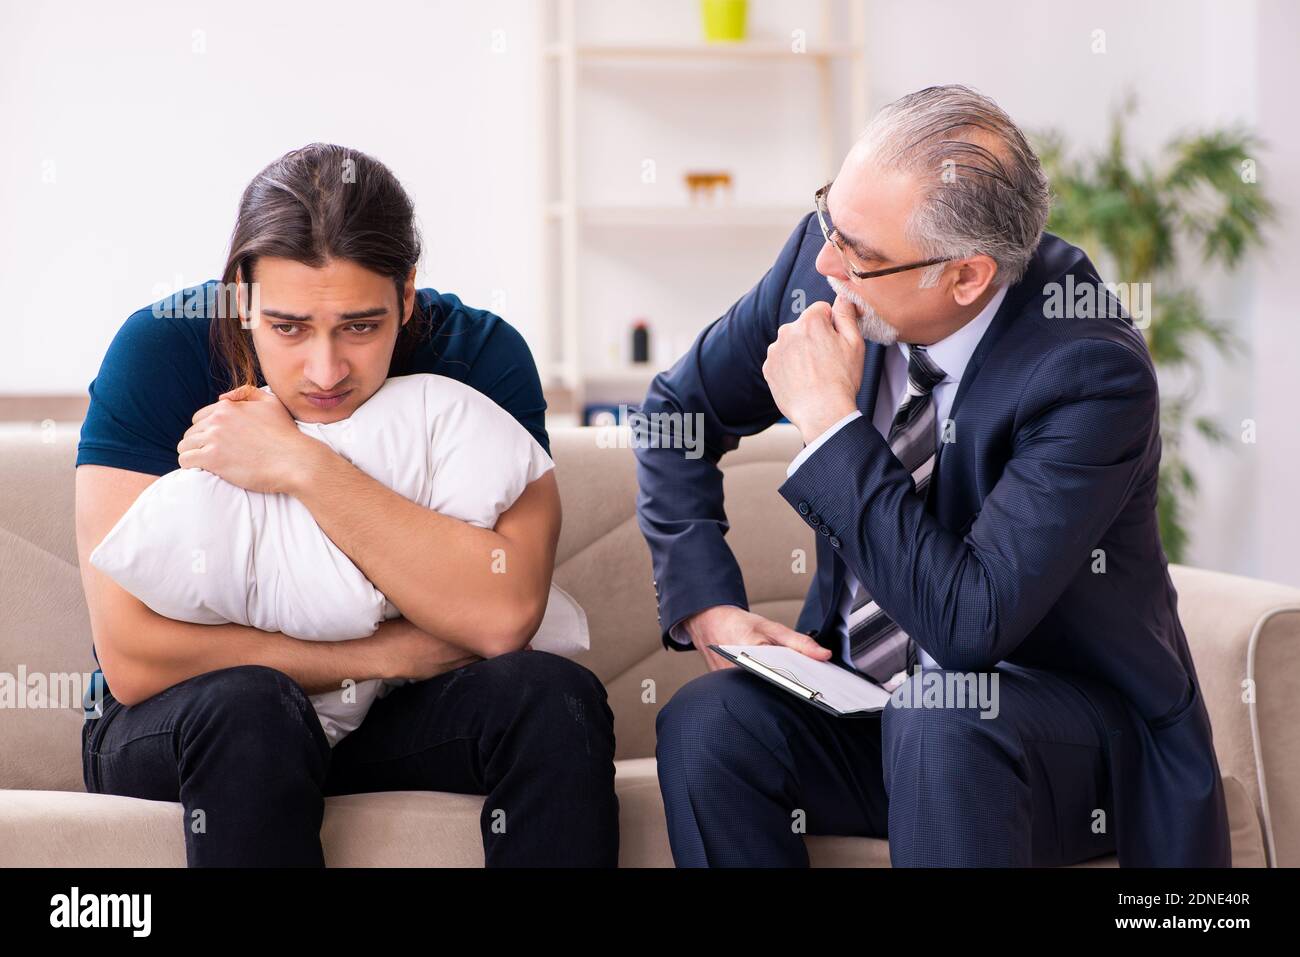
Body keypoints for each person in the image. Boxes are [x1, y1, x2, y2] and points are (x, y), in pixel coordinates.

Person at [635, 85, 1230, 867]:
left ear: (967, 277)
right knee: (710, 723)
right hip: (871, 705)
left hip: (1058, 738)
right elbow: (674, 415)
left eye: (861, 255)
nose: (825, 262)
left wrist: (830, 424)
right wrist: (708, 605)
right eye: (828, 220)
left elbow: (968, 625)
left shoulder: (1090, 371)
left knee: (942, 710)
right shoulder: (824, 268)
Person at [74, 143, 618, 867]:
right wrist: (389, 654)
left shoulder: (482, 358)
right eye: (289, 327)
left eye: (360, 326)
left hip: (401, 716)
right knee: (253, 707)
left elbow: (505, 613)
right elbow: (133, 657)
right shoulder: (158, 350)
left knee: (554, 694)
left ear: (406, 294)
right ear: (242, 293)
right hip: (187, 718)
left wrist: (302, 465)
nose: (325, 371)